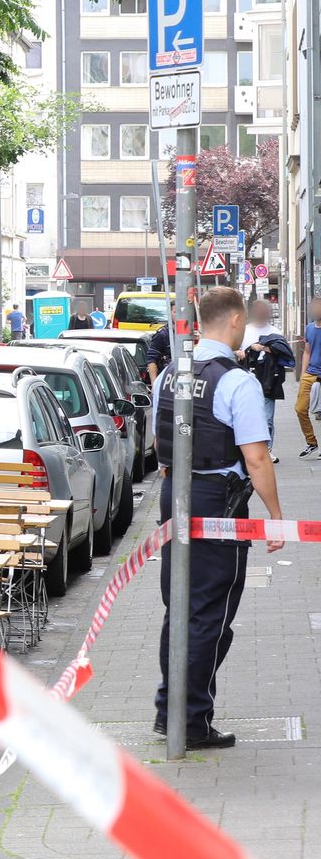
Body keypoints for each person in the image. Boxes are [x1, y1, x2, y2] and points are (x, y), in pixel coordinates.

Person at [151, 286, 285, 750]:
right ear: (233, 320)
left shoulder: (170, 373)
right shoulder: (236, 381)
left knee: (180, 606)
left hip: (175, 498)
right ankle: (190, 720)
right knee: (211, 613)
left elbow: (159, 449)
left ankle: (168, 708)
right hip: (218, 503)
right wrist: (275, 516)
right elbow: (257, 458)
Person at [238, 296, 295, 458]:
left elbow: (286, 356)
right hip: (248, 376)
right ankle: (251, 449)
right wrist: (241, 353)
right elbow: (236, 350)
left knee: (267, 417)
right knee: (249, 415)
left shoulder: (275, 332)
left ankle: (267, 450)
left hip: (269, 378)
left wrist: (263, 347)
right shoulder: (246, 330)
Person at [297, 295, 321, 457]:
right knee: (300, 409)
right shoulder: (309, 328)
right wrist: (303, 373)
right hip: (310, 373)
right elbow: (307, 351)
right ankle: (311, 442)